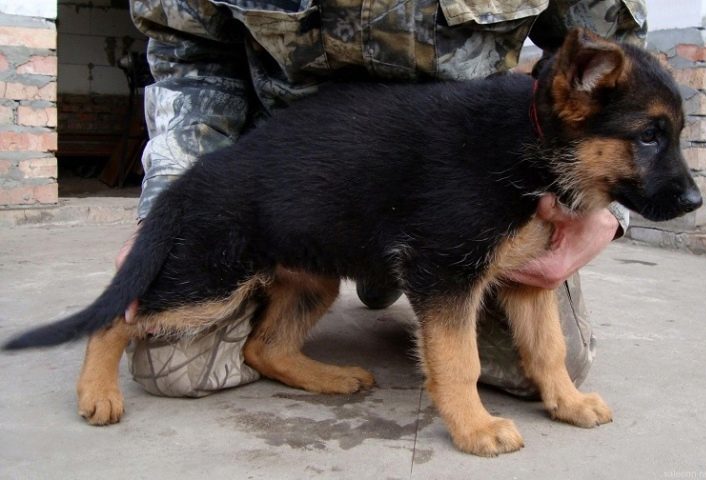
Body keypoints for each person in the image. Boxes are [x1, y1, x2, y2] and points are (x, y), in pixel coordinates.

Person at [122, 0, 645, 397]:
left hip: (471, 182)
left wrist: (601, 209)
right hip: (305, 183)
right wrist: (171, 211)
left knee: (544, 374)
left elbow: (614, 61)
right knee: (173, 368)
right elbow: (192, 56)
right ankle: (279, 345)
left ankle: (415, 280)